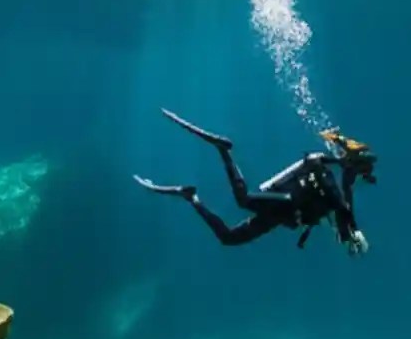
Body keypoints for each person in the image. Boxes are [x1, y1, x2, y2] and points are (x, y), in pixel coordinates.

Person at [132, 108, 377, 256]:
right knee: (243, 200)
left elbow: (344, 199)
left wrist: (347, 171)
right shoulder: (337, 194)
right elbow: (340, 194)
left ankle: (191, 197)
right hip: (287, 204)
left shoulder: (342, 198)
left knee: (229, 238)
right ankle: (223, 149)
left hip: (285, 216)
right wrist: (345, 163)